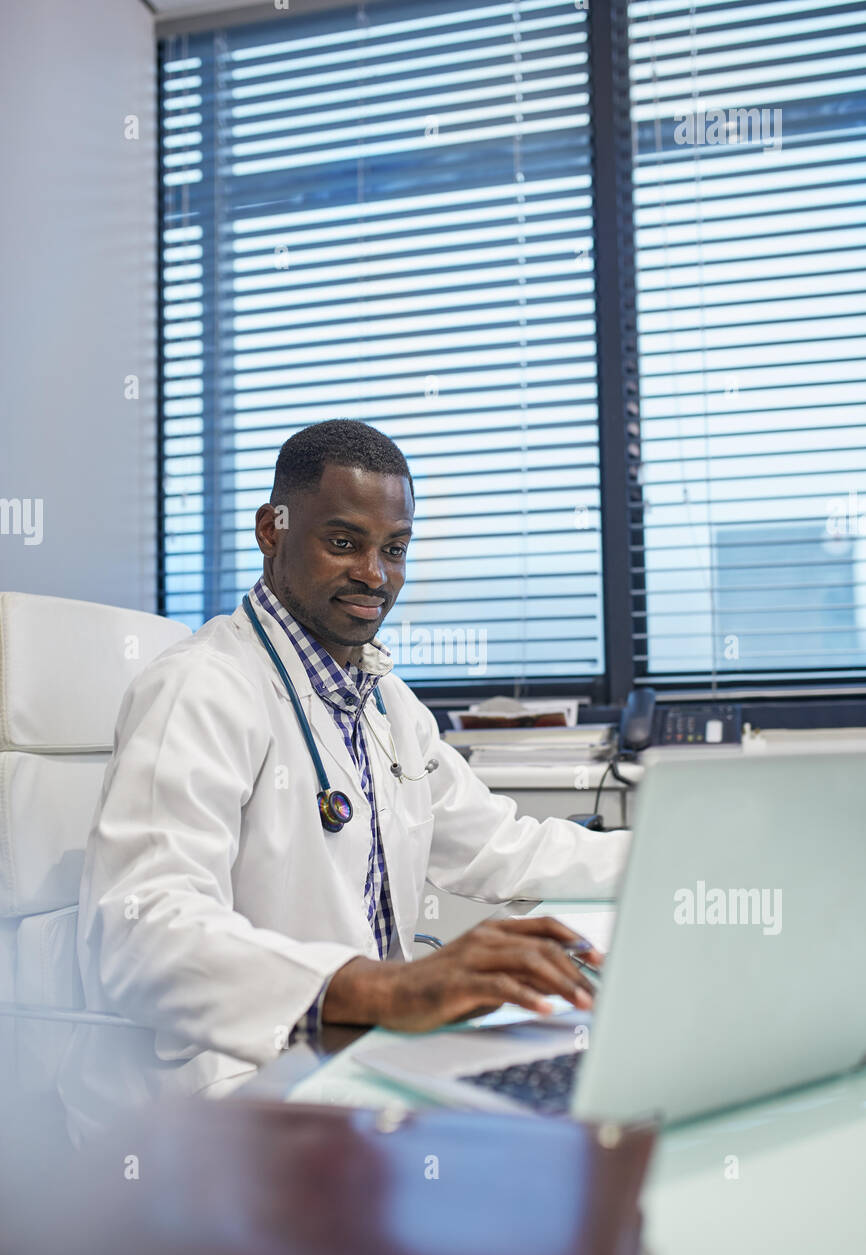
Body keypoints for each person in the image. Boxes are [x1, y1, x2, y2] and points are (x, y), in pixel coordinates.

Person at [60, 420, 629, 1141]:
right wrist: (384, 987)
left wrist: (680, 856)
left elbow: (504, 846)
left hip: (348, 1065)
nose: (375, 573)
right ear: (273, 529)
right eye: (344, 542)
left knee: (576, 1108)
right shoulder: (200, 689)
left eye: (394, 550)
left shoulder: (384, 700)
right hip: (212, 1101)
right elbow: (141, 935)